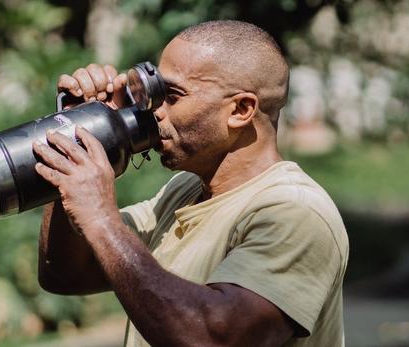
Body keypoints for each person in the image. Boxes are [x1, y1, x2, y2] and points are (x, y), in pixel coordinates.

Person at [32, 20, 349, 346]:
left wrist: (101, 219)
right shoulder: (183, 191)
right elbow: (65, 273)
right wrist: (77, 139)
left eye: (171, 95)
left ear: (240, 109)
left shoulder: (296, 212)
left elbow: (214, 338)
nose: (154, 110)